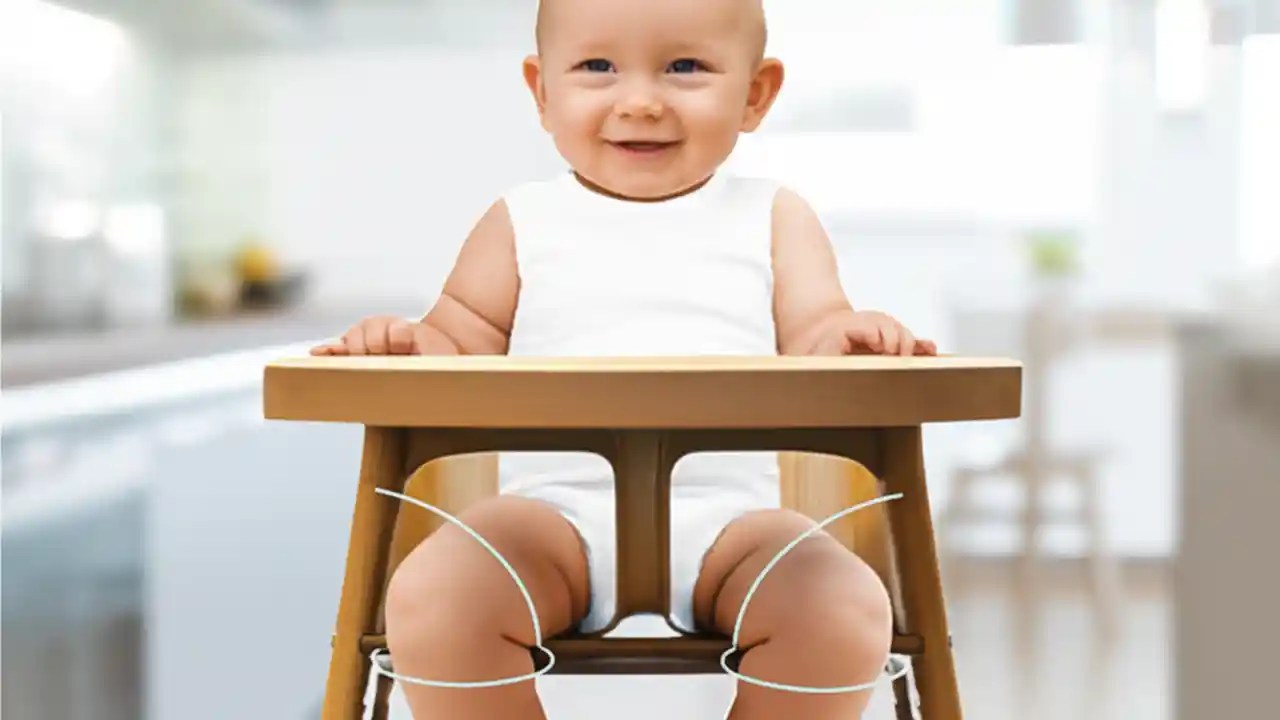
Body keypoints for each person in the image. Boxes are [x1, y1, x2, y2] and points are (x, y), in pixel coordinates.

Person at [312, 0, 936, 717]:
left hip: (735, 529)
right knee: (435, 601)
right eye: (597, 67)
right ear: (543, 93)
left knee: (842, 611)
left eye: (685, 67)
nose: (639, 102)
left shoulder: (774, 216)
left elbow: (816, 334)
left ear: (755, 94)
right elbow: (458, 341)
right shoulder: (521, 220)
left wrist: (851, 336)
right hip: (546, 524)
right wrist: (410, 343)